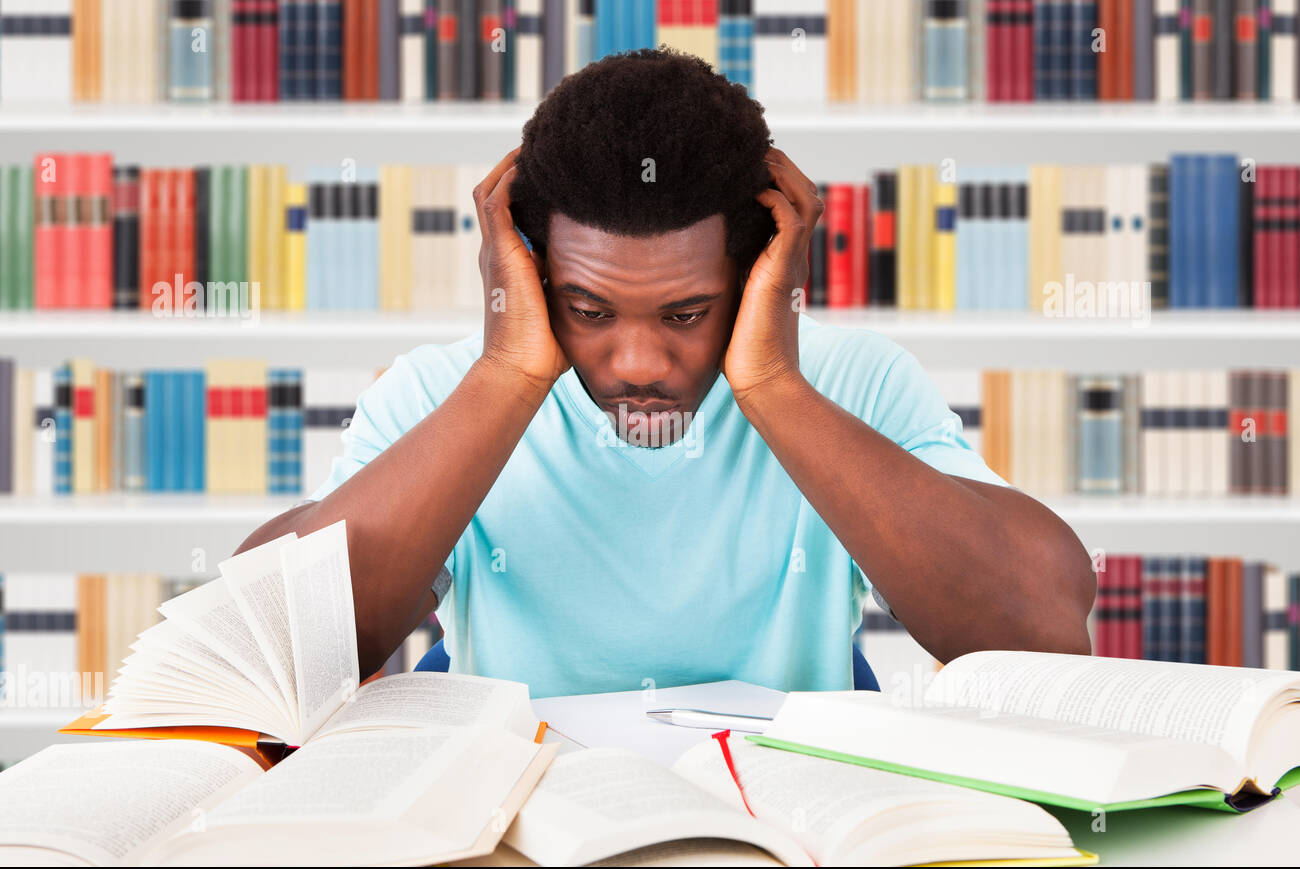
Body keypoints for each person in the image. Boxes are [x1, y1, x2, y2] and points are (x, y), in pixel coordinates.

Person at [235, 47, 1095, 698]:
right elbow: (272, 648)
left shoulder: (852, 382)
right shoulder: (440, 394)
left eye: (685, 314)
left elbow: (1039, 631)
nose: (638, 365)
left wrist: (774, 388)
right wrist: (507, 375)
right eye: (590, 310)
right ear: (527, 276)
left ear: (759, 276)